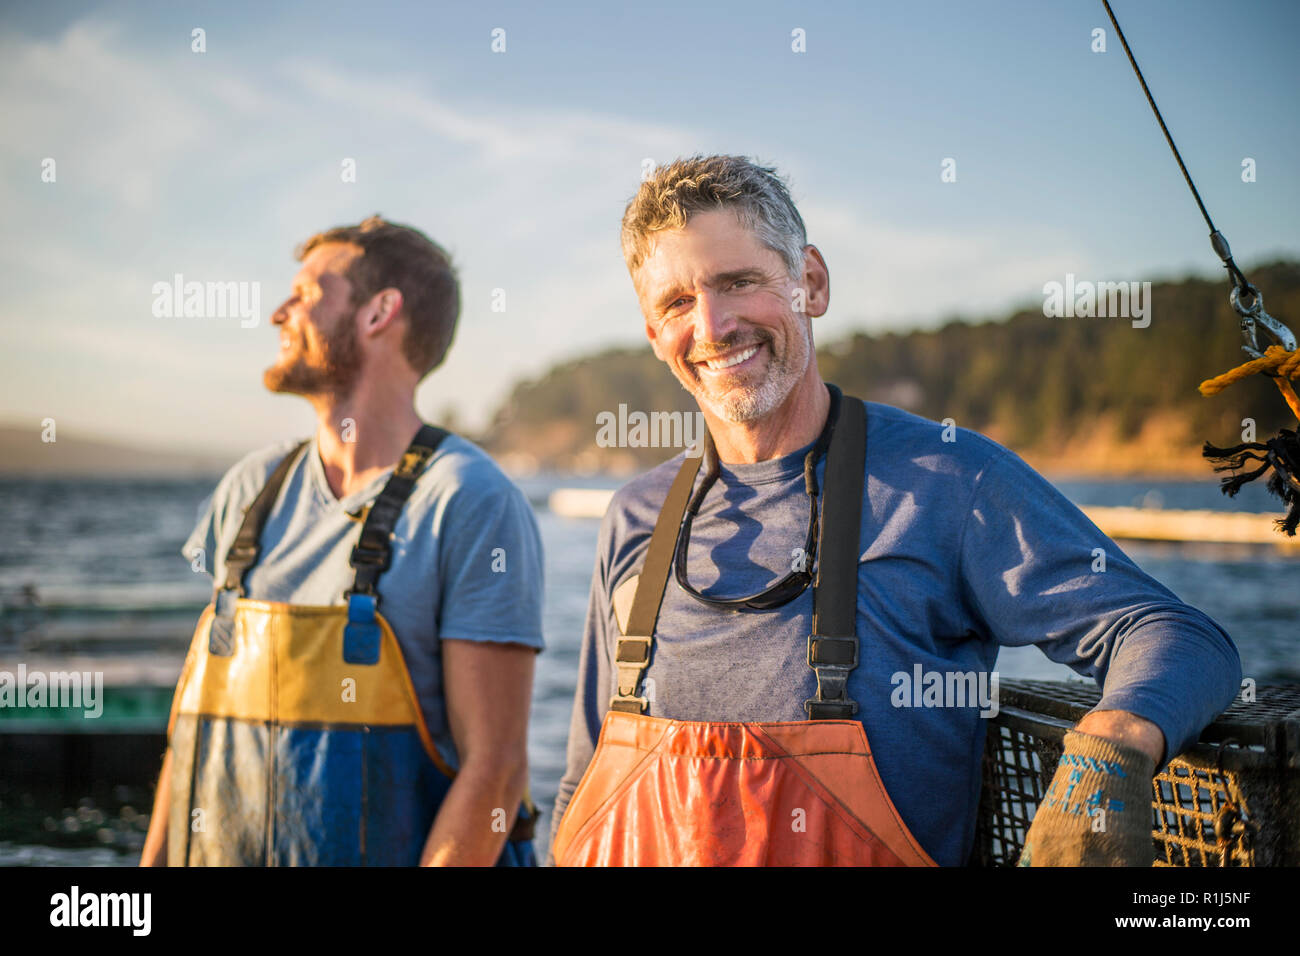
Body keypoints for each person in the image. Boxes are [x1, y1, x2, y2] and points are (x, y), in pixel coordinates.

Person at [549, 155, 1242, 867]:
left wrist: (1113, 752)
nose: (714, 325)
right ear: (652, 332)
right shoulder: (637, 516)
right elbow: (584, 788)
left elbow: (1178, 635)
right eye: (676, 303)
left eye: (739, 283)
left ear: (809, 283)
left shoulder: (948, 482)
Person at [140, 215, 544, 866]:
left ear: (380, 312)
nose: (278, 312)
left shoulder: (470, 502)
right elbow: (194, 738)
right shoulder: (250, 491)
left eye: (305, 294)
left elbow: (495, 774)